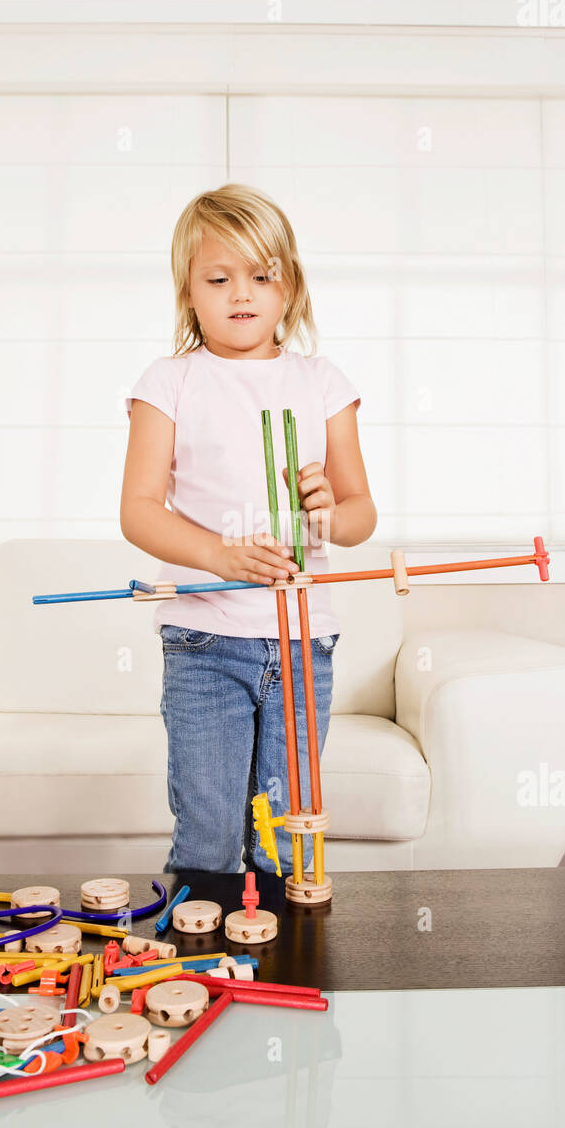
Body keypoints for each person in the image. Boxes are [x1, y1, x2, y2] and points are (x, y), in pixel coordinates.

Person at [120, 183, 376, 874]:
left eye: (261, 275)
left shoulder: (323, 381)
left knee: (286, 844)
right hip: (205, 645)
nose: (242, 292)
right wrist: (217, 554)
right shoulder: (168, 382)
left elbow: (359, 516)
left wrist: (327, 509)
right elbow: (138, 509)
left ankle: (282, 977)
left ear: (287, 287)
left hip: (302, 645)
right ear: (188, 294)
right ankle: (198, 978)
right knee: (206, 841)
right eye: (219, 277)